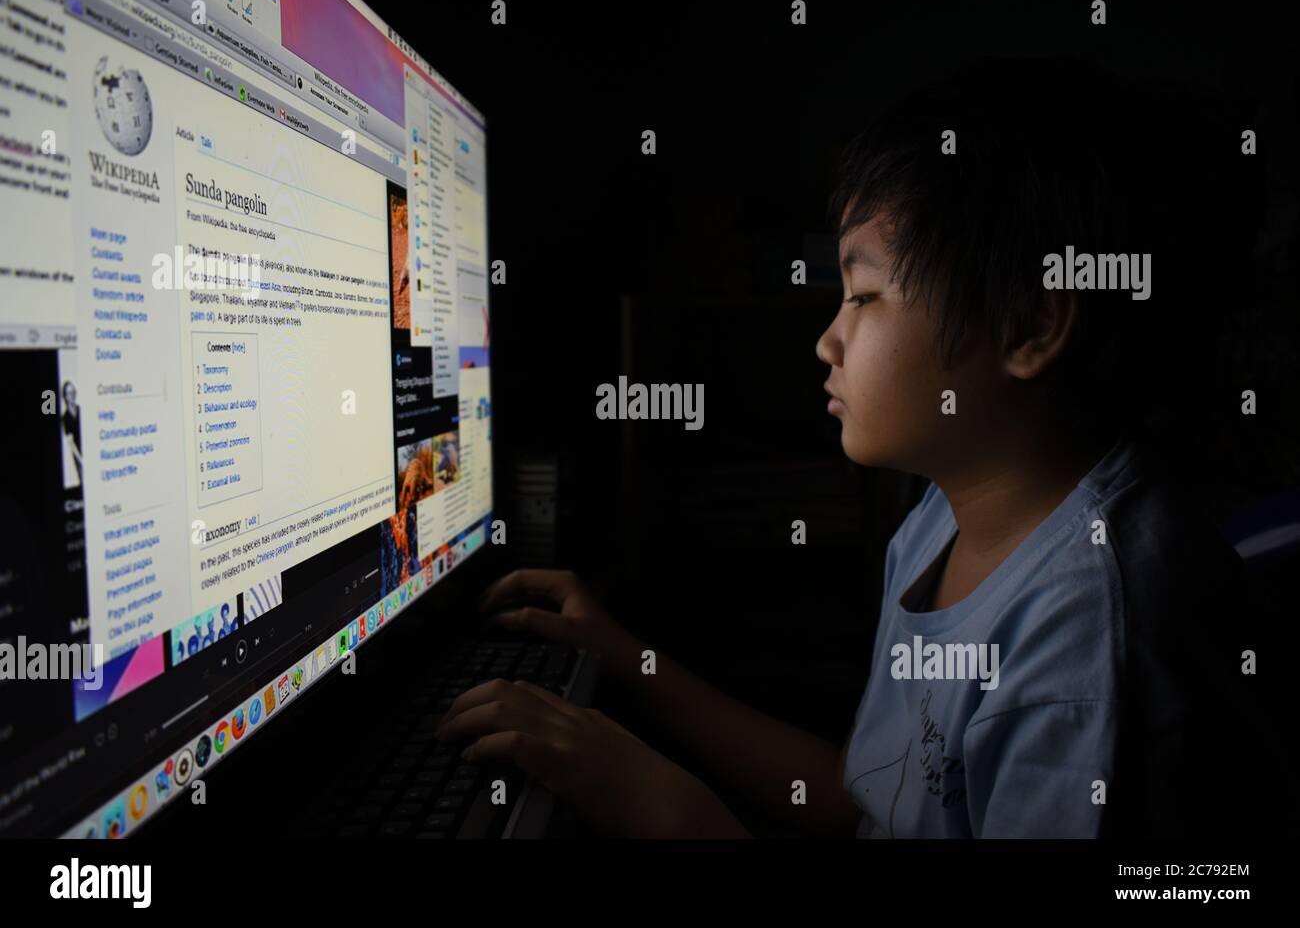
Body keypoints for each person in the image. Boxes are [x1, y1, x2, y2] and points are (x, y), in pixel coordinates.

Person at [436, 55, 1267, 838]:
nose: (827, 342)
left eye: (864, 295)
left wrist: (676, 816)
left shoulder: (1086, 639)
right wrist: (622, 656)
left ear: (1031, 326)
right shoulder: (941, 517)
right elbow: (866, 796)